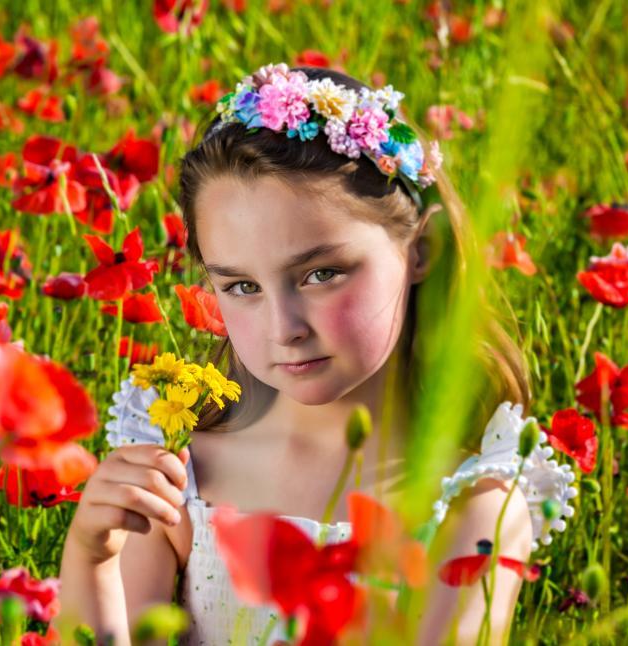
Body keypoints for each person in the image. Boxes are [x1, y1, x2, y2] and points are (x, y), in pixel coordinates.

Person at [56, 63, 576, 645]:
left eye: (321, 274)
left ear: (421, 250)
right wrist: (91, 558)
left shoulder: (472, 500)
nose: (285, 328)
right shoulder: (179, 474)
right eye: (242, 287)